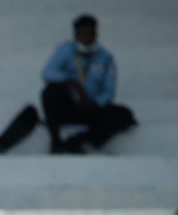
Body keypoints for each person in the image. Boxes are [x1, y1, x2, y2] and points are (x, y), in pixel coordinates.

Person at [41, 14, 136, 154]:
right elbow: (48, 72)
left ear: (96, 33)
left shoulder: (105, 57)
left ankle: (79, 142)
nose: (86, 37)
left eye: (90, 32)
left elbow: (109, 91)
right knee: (50, 91)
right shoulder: (65, 50)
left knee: (124, 114)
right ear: (75, 34)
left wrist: (93, 103)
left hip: (91, 107)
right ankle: (56, 143)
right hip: (68, 105)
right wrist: (73, 83)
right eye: (82, 33)